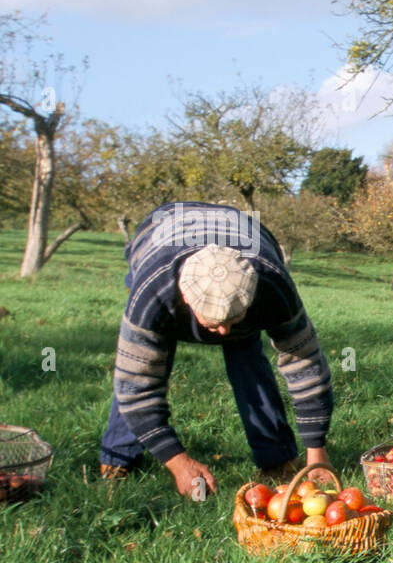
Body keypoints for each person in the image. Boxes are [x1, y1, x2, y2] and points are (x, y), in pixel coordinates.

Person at [100, 202, 334, 496]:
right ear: (185, 296)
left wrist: (317, 454)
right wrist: (177, 462)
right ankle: (118, 458)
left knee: (246, 355)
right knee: (145, 364)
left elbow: (306, 368)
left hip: (241, 229)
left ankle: (278, 459)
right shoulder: (152, 295)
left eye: (233, 318)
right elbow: (135, 386)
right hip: (162, 232)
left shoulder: (273, 287)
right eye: (216, 323)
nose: (223, 331)